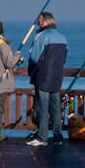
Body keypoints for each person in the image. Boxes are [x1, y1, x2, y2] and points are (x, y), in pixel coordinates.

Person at [27, 11, 68, 147]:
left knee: (42, 107)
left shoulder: (42, 36)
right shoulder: (62, 38)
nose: (37, 22)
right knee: (55, 106)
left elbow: (34, 56)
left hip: (43, 76)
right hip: (57, 76)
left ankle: (42, 137)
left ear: (44, 21)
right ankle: (58, 135)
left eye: (39, 20)